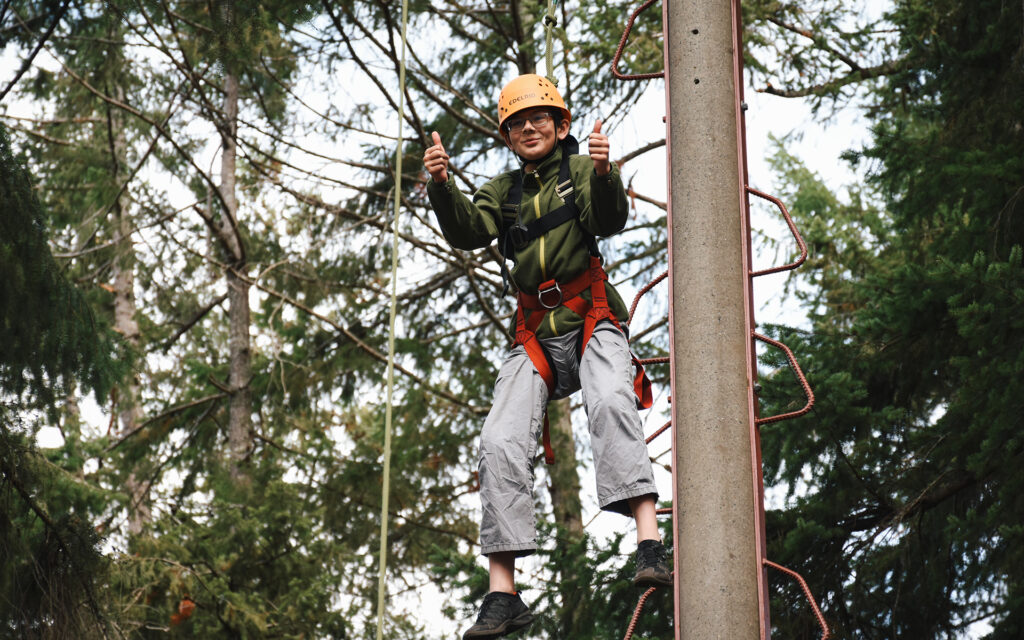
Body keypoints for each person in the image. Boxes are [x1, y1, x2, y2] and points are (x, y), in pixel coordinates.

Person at [423, 74, 671, 639]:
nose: (528, 128)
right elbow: (469, 230)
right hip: (534, 331)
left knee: (610, 398)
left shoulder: (581, 173)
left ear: (562, 127)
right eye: (516, 123)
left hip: (590, 317)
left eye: (539, 119)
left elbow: (607, 220)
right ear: (508, 137)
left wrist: (605, 174)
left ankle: (649, 542)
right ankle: (502, 594)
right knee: (499, 441)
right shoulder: (502, 192)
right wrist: (442, 185)